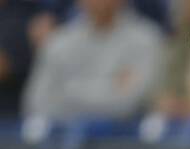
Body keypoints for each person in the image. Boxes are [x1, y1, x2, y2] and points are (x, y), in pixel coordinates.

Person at [20, 0, 163, 121]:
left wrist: (68, 91)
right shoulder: (59, 41)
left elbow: (129, 103)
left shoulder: (147, 39)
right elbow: (36, 103)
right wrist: (111, 86)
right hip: (61, 142)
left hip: (127, 143)